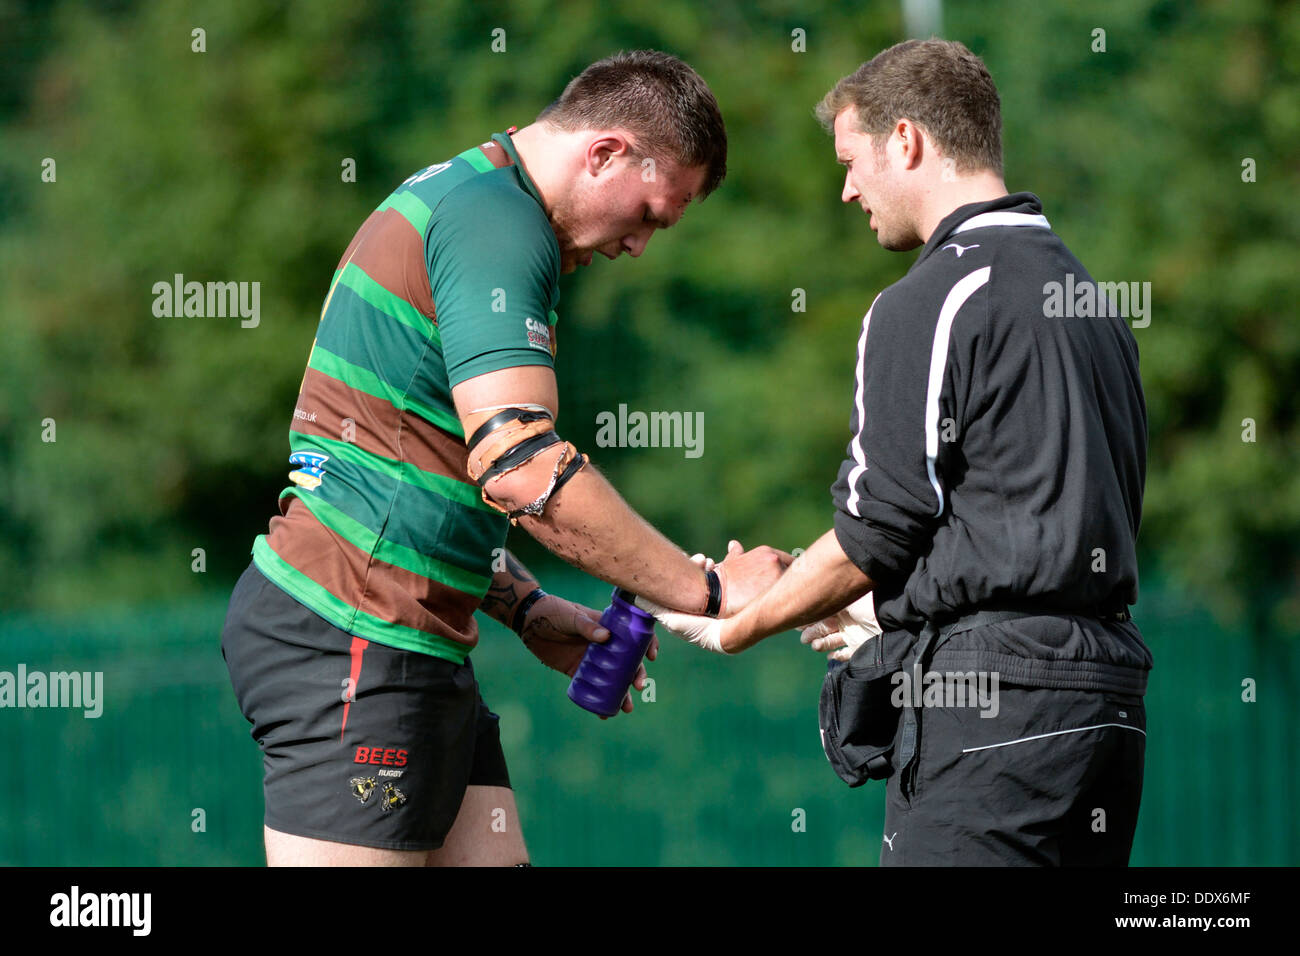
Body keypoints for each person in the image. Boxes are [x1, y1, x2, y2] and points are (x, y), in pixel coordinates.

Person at [221, 50, 789, 867]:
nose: (641, 245)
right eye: (649, 214)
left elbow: (408, 460)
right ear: (605, 153)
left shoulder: (476, 199)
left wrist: (521, 604)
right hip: (352, 637)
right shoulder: (497, 222)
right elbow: (519, 462)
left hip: (409, 640)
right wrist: (706, 592)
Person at [642, 39, 1152, 866]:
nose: (846, 188)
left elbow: (881, 526)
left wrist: (747, 623)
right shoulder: (1094, 303)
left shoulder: (932, 297)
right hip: (1108, 707)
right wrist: (880, 611)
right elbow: (1039, 529)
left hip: (992, 715)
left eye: (851, 160)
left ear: (907, 140)